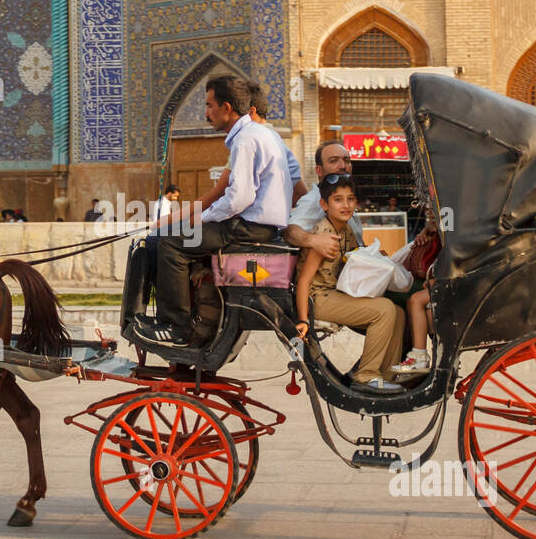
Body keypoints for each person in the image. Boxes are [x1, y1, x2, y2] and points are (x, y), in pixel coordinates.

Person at [137, 75, 292, 346]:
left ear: (227, 108)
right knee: (175, 236)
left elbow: (239, 198)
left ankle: (176, 325)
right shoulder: (263, 134)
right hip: (259, 225)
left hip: (247, 227)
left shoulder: (246, 139)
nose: (206, 113)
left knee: (170, 242)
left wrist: (202, 218)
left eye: (210, 105)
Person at [293, 173, 404, 393]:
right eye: (338, 200)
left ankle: (386, 374)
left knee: (398, 313)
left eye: (350, 199)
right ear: (324, 204)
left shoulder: (346, 230)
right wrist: (303, 320)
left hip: (336, 293)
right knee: (384, 310)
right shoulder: (324, 233)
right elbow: (304, 280)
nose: (346, 205)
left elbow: (354, 258)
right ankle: (366, 375)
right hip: (319, 298)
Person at [284, 139, 359, 260]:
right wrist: (313, 240)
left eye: (346, 160)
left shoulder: (347, 198)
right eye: (333, 161)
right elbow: (290, 231)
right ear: (319, 170)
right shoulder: (315, 199)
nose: (342, 166)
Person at [390, 213, 443, 376]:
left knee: (416, 300)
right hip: (449, 276)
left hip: (456, 279)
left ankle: (419, 356)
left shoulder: (455, 216)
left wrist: (438, 279)